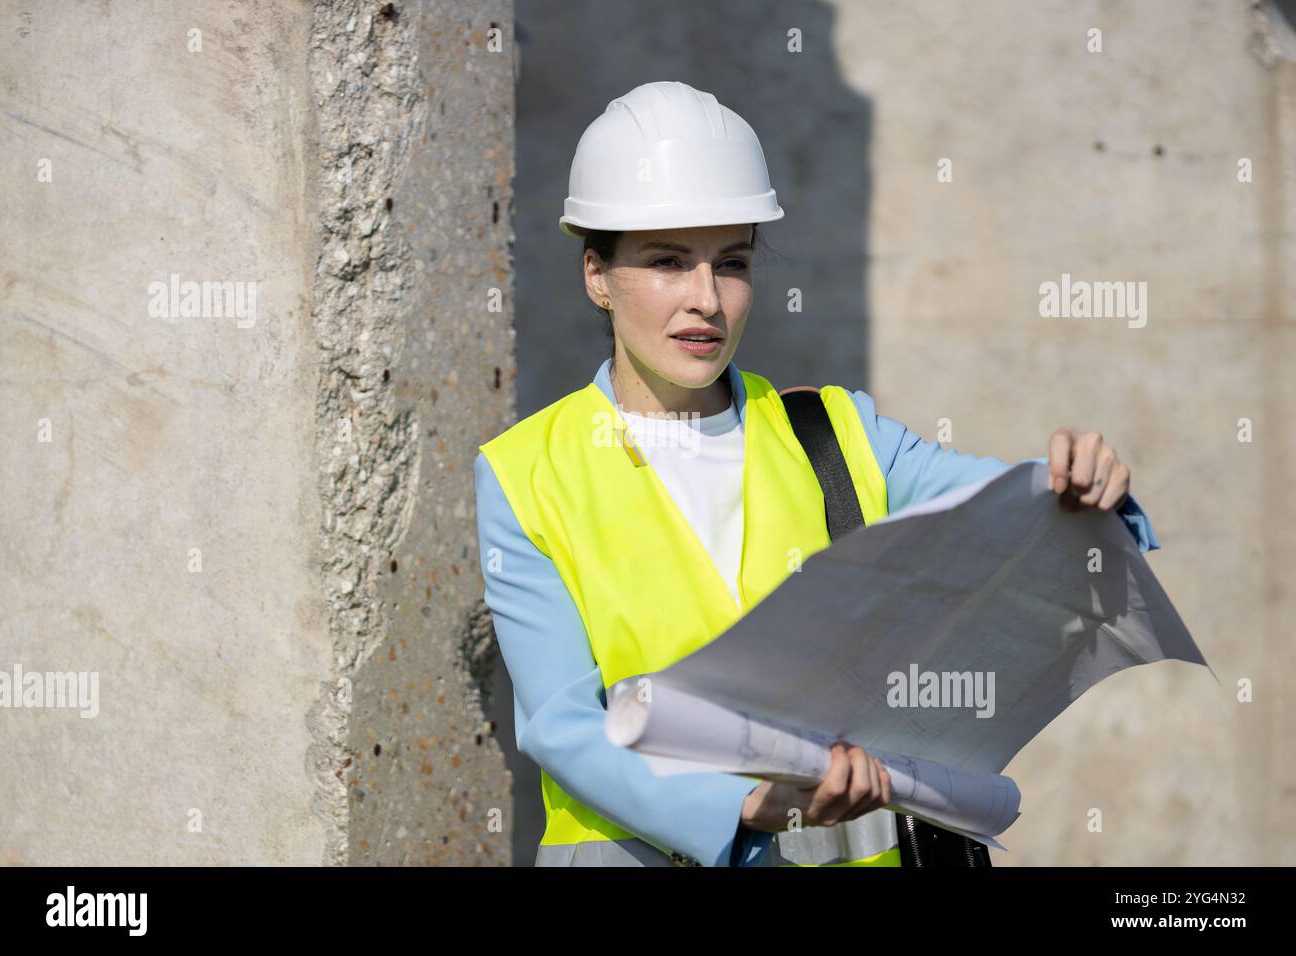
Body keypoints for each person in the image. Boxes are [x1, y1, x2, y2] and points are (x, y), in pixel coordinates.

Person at [474, 81, 1159, 867]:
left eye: (731, 263)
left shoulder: (834, 434)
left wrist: (1081, 485)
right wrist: (742, 809)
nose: (706, 300)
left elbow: (1015, 516)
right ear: (597, 274)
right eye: (668, 261)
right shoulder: (523, 472)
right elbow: (563, 725)